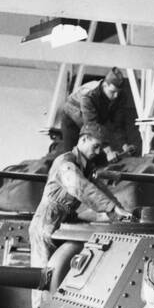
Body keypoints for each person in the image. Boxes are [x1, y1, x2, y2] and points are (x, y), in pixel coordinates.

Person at [29, 123, 134, 289]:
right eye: (96, 146)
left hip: (62, 221)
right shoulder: (66, 162)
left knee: (58, 278)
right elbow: (80, 187)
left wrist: (119, 211)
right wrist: (111, 209)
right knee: (44, 279)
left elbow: (99, 188)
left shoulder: (84, 167)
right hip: (46, 222)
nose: (98, 151)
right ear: (83, 139)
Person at [53, 67, 141, 156]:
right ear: (105, 85)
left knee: (96, 155)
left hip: (92, 121)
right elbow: (91, 126)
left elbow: (118, 125)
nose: (116, 96)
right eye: (113, 92)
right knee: (72, 155)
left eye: (118, 92)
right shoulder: (89, 95)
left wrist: (124, 145)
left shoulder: (119, 97)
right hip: (72, 120)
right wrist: (108, 151)